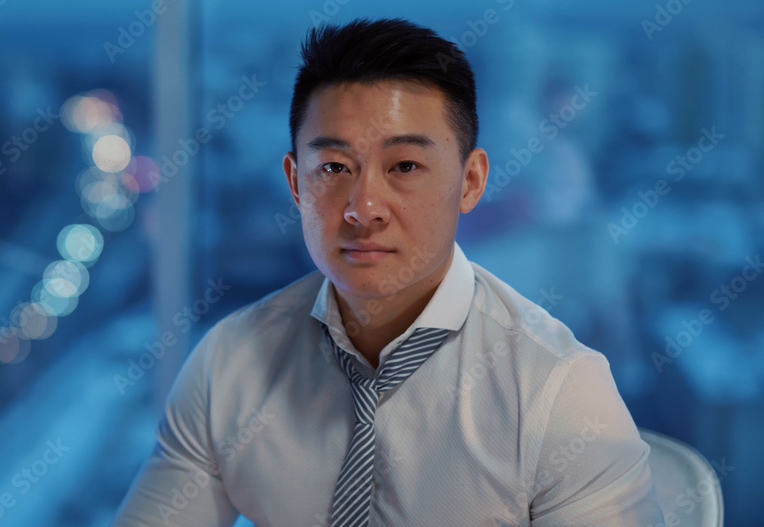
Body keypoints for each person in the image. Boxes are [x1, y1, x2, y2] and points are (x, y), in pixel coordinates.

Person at [113, 17, 664, 526]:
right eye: (333, 167)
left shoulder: (558, 391)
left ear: (470, 182)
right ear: (296, 183)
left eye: (405, 167)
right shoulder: (229, 364)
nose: (363, 207)